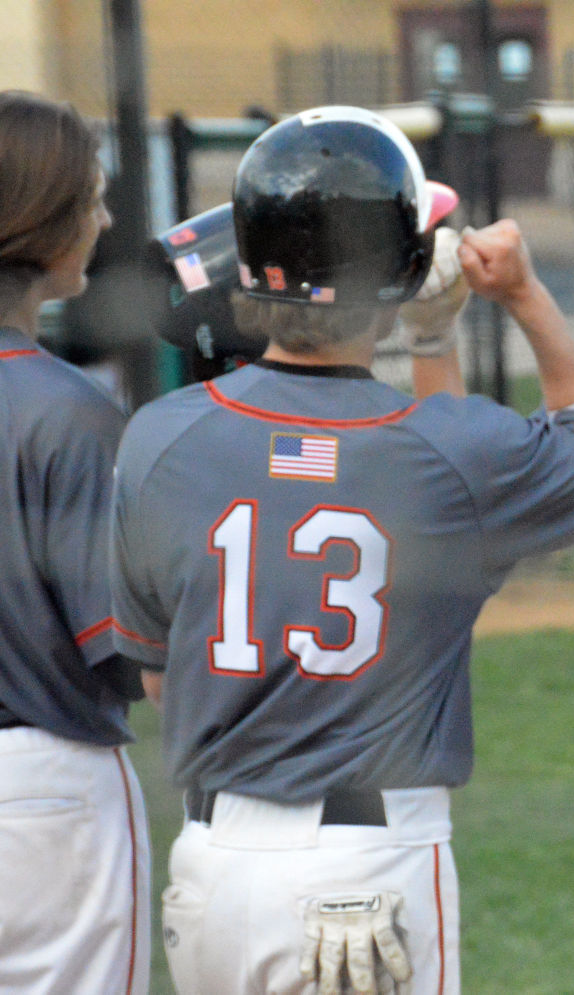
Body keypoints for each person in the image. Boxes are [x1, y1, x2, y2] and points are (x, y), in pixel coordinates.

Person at [110, 105, 574, 995]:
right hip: (363, 879)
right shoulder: (446, 450)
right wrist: (520, 294)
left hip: (210, 874)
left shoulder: (158, 438)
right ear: (399, 272)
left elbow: (158, 677)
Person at [0, 90, 152, 994]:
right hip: (43, 793)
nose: (102, 220)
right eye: (91, 199)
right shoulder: (71, 412)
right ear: (48, 226)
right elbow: (127, 655)